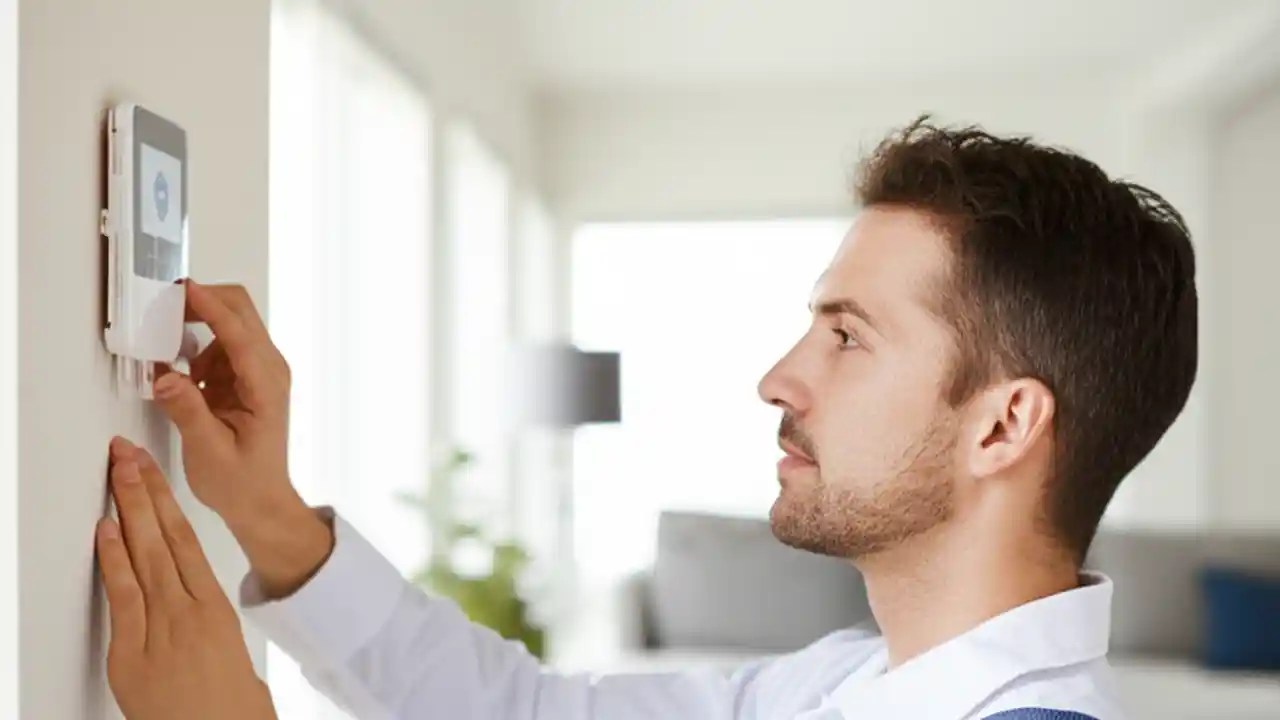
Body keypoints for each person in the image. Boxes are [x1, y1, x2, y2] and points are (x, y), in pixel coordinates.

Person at [95, 117, 1198, 720]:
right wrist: (274, 518)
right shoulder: (833, 685)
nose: (777, 377)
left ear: (1001, 427)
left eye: (846, 337)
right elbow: (525, 713)